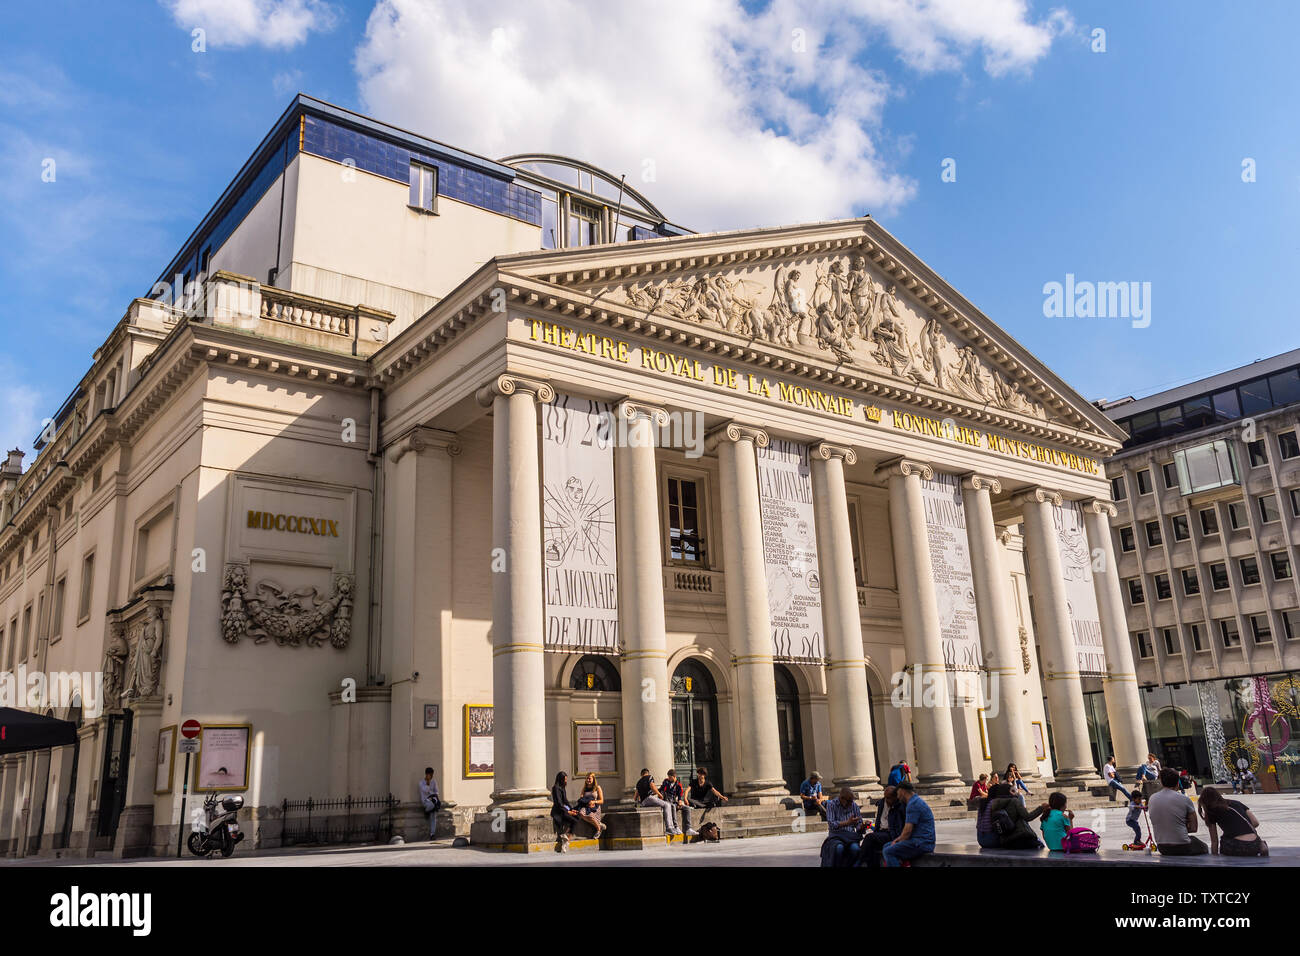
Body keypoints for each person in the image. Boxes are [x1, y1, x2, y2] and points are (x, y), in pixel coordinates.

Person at [1149, 767, 1208, 856]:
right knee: (1204, 846)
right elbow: (1193, 828)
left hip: (1162, 847)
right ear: (1177, 782)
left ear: (1161, 782)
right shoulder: (1184, 799)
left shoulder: (1152, 798)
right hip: (1183, 846)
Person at [1198, 786, 1267, 857]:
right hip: (1254, 845)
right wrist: (1242, 829)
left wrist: (1214, 857)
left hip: (1236, 846)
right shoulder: (1236, 803)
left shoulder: (1211, 811)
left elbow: (1214, 841)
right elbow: (1255, 823)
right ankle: (1262, 846)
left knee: (1224, 839)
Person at [882, 781, 936, 867]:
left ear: (902, 791)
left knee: (888, 851)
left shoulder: (913, 804)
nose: (897, 797)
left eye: (898, 793)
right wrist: (897, 840)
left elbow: (907, 831)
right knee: (886, 846)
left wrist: (898, 840)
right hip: (920, 841)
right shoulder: (915, 801)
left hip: (922, 843)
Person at [986, 783, 1045, 850]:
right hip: (1020, 837)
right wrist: (1041, 808)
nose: (1015, 793)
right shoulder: (1014, 801)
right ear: (1007, 792)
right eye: (1012, 791)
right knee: (1040, 844)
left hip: (1006, 842)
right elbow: (1028, 817)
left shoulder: (994, 804)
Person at [821, 787, 864, 867]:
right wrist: (847, 822)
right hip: (836, 836)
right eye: (849, 801)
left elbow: (858, 824)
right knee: (839, 849)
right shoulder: (831, 804)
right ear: (842, 798)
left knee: (855, 849)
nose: (851, 803)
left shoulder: (854, 805)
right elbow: (832, 824)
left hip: (850, 836)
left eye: (852, 801)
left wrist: (862, 826)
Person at [861, 786, 904, 866]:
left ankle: (858, 860)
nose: (886, 800)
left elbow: (898, 826)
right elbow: (879, 821)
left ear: (895, 797)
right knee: (872, 847)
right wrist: (871, 826)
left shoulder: (899, 806)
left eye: (888, 798)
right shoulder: (882, 803)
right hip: (880, 832)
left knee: (869, 837)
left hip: (891, 834)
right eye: (885, 797)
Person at [635, 768, 681, 836]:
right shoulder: (649, 777)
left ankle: (671, 828)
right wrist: (659, 794)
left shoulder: (638, 782)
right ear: (647, 773)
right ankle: (669, 828)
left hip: (643, 802)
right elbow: (653, 787)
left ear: (641, 775)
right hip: (649, 798)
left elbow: (635, 797)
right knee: (667, 805)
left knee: (662, 805)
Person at [660, 769, 698, 837]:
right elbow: (661, 789)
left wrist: (680, 801)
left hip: (674, 802)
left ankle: (688, 829)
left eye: (670, 777)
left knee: (687, 808)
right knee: (673, 806)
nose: (668, 778)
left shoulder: (678, 785)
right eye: (668, 777)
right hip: (667, 802)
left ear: (674, 776)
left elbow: (680, 795)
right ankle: (676, 827)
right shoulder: (666, 782)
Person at [551, 771, 581, 852]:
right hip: (558, 811)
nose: (566, 781)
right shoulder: (555, 788)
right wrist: (568, 812)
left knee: (577, 816)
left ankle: (566, 839)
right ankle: (565, 838)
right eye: (565, 779)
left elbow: (565, 800)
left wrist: (571, 809)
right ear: (560, 779)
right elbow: (559, 803)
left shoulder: (562, 787)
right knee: (574, 820)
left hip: (564, 809)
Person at [418, 767, 441, 840]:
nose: (431, 776)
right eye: (430, 774)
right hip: (426, 801)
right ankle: (426, 811)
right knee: (432, 805)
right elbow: (425, 790)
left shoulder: (434, 782)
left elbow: (436, 791)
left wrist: (434, 796)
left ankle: (432, 834)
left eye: (432, 774)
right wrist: (428, 782)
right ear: (427, 774)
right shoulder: (421, 783)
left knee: (433, 816)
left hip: (433, 800)